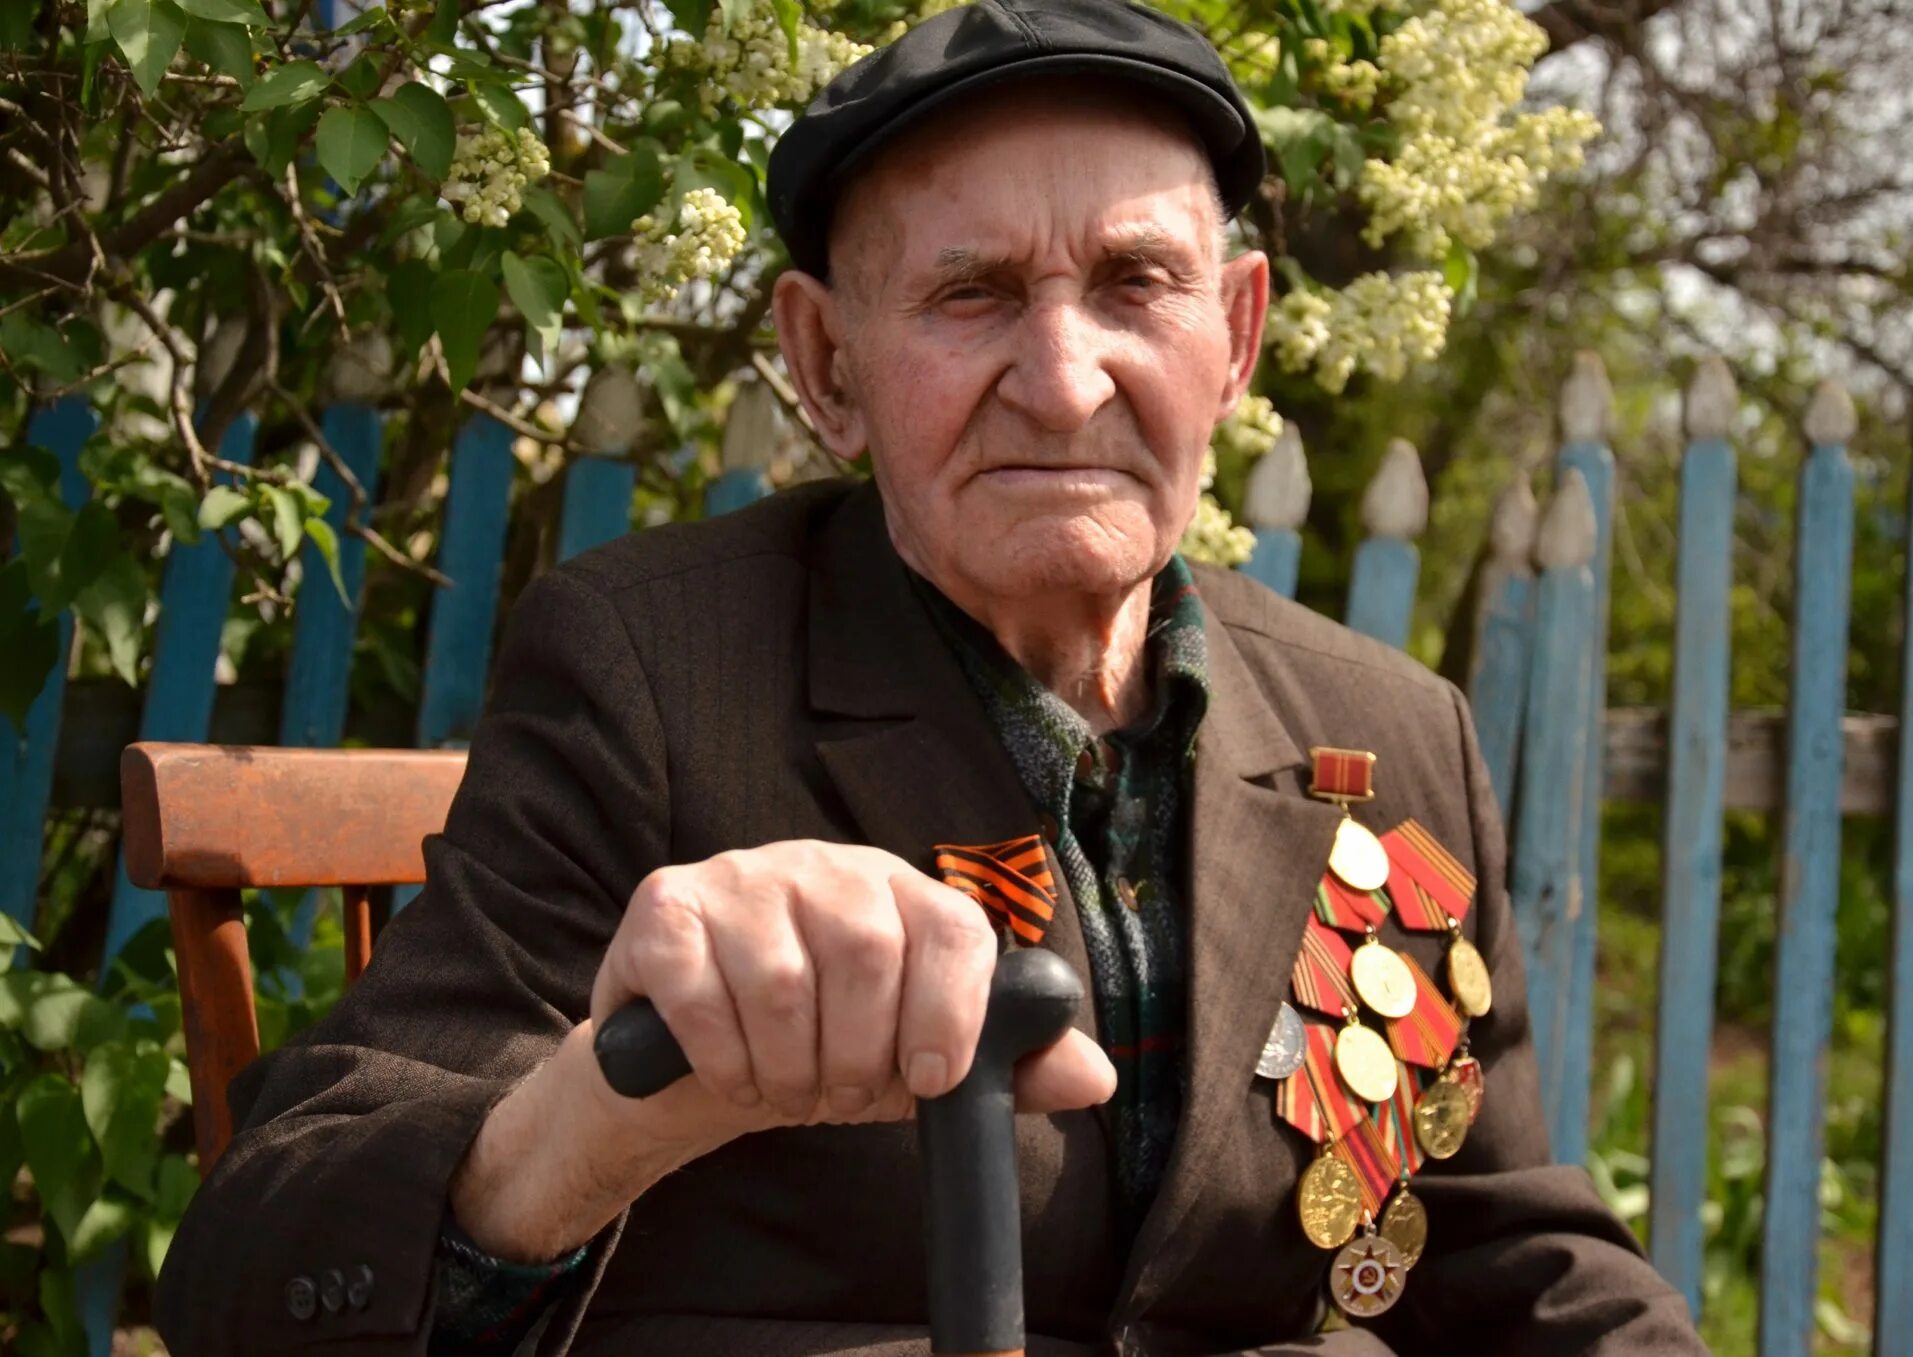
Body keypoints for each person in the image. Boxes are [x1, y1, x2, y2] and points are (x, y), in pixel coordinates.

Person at [157, 2, 1705, 1353]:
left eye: (1134, 283)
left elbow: (1499, 1245)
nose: (1061, 375)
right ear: (827, 367)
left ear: (1233, 338)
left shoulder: (1387, 728)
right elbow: (257, 1264)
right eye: (971, 294)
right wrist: (603, 1107)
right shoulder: (648, 668)